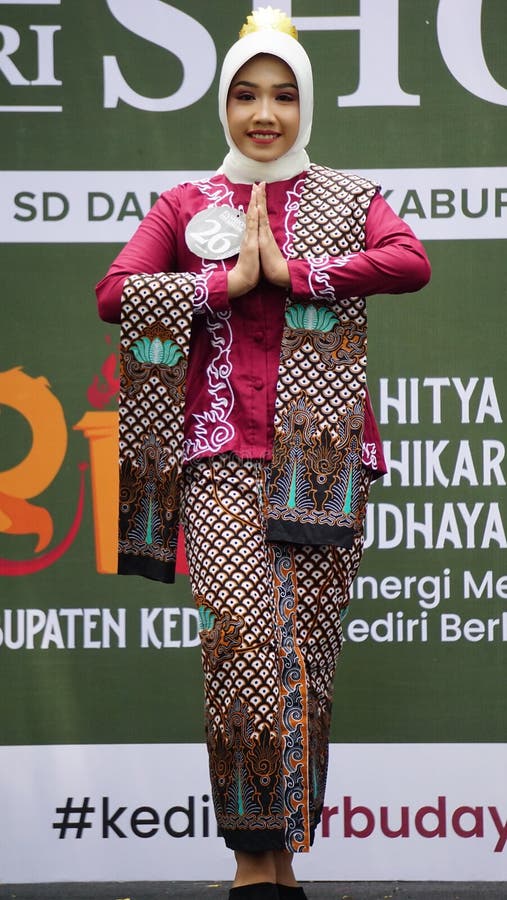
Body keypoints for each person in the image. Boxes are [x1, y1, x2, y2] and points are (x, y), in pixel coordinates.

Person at [96, 7, 431, 899]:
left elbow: (409, 261)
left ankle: (282, 863)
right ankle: (249, 862)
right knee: (240, 644)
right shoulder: (186, 203)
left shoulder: (347, 198)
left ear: (305, 105)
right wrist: (225, 283)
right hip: (216, 460)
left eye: (283, 95)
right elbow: (115, 292)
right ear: (223, 104)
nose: (264, 113)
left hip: (319, 462)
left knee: (308, 659)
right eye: (246, 94)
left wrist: (299, 274)